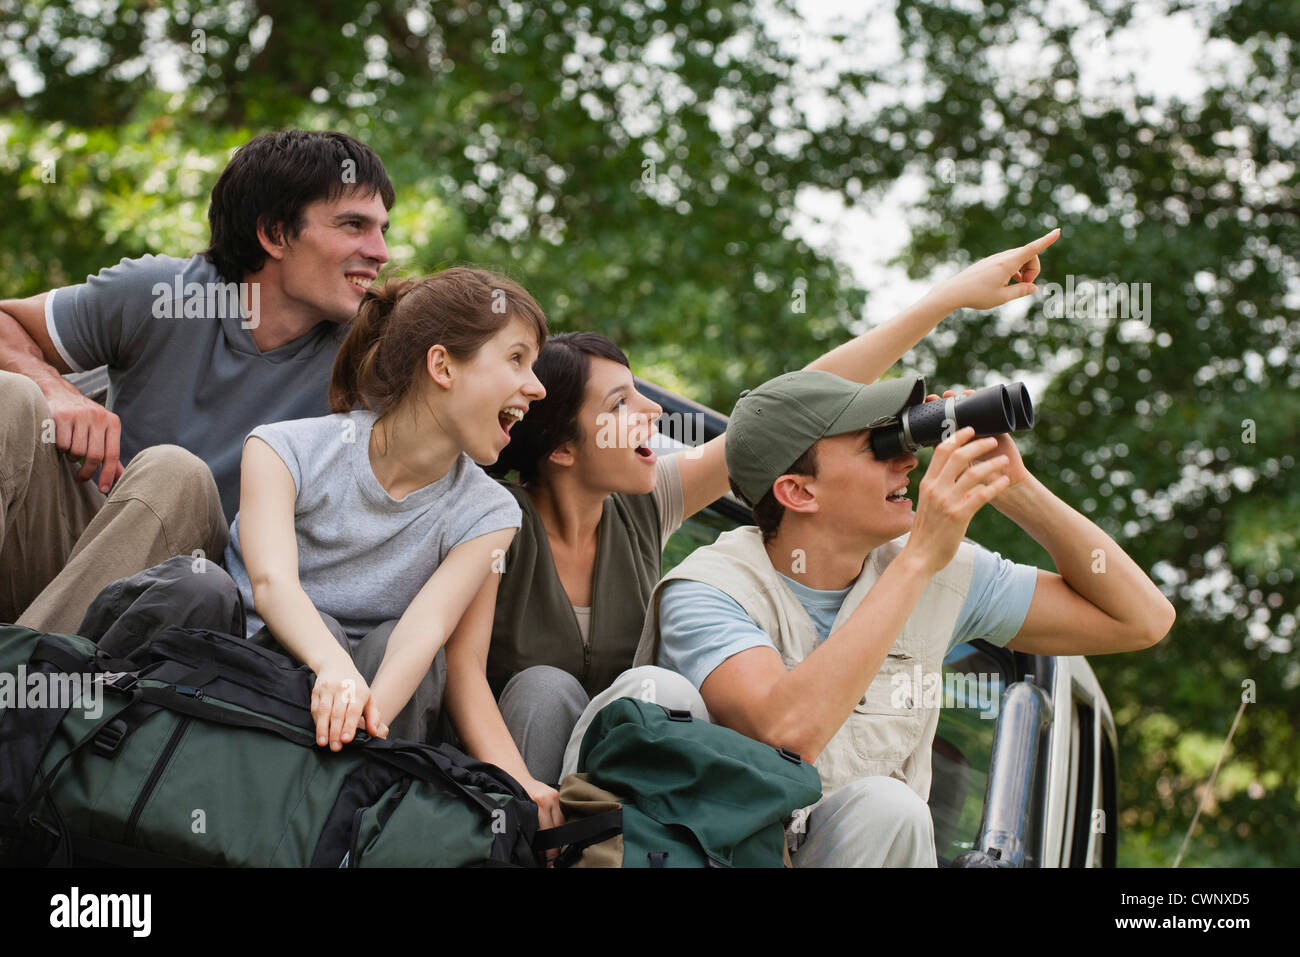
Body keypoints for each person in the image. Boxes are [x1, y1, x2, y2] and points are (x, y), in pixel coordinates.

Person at [443, 231, 1062, 818]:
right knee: (545, 689)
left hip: (612, 799)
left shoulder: (645, 505)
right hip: (509, 793)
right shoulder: (496, 523)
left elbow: (795, 411)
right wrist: (526, 794)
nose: (651, 411)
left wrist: (944, 300)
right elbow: (460, 672)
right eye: (620, 404)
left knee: (659, 694)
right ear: (562, 449)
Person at [567, 369, 1176, 867]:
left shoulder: (936, 570)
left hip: (853, 849)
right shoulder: (710, 589)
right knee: (658, 689)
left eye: (902, 439)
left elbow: (1142, 620)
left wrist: (1013, 485)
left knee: (891, 808)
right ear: (799, 492)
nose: (907, 461)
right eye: (877, 446)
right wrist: (918, 560)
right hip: (716, 855)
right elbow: (786, 734)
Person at [78, 268, 564, 824]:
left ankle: (343, 827)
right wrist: (333, 668)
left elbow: (426, 633)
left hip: (360, 725)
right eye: (517, 359)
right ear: (443, 366)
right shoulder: (284, 448)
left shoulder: (491, 511)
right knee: (207, 587)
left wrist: (371, 727)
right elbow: (272, 585)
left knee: (403, 650)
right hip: (240, 688)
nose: (537, 387)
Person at [0, 129, 393, 634]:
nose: (380, 251)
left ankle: (33, 676)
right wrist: (54, 389)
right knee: (13, 394)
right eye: (354, 225)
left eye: (382, 229)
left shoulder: (373, 354)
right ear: (274, 234)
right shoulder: (162, 293)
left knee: (176, 471)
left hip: (187, 597)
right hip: (68, 545)